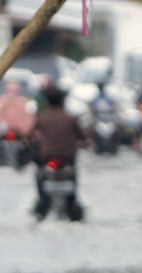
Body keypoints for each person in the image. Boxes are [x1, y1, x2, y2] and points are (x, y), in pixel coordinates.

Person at [29, 85, 84, 220]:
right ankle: (73, 200)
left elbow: (29, 136)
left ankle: (41, 201)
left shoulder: (42, 117)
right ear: (63, 100)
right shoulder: (71, 118)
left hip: (48, 160)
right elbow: (83, 137)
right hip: (67, 160)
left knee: (39, 175)